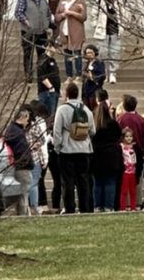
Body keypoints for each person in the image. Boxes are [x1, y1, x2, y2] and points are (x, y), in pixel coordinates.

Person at [51, 81, 94, 214]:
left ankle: (69, 208)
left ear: (66, 94)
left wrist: (57, 148)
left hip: (67, 150)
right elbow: (92, 131)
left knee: (68, 181)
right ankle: (84, 208)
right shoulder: (86, 110)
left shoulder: (62, 109)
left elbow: (57, 132)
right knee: (83, 181)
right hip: (84, 150)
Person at [16, 0, 52, 81]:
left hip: (42, 32)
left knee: (42, 55)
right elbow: (18, 13)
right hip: (29, 32)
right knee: (28, 55)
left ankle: (42, 77)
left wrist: (48, 23)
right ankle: (29, 76)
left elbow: (48, 13)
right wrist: (26, 22)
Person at [91, 94, 123, 211]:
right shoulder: (113, 123)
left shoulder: (96, 124)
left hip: (97, 156)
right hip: (112, 156)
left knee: (98, 182)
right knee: (110, 181)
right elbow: (119, 135)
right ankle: (109, 205)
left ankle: (98, 205)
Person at [116, 94, 144, 209]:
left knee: (124, 179)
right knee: (137, 179)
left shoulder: (121, 119)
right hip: (138, 151)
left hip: (124, 152)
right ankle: (137, 202)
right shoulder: (141, 120)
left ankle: (125, 203)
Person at [2, 108, 35, 216]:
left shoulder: (13, 130)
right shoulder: (17, 132)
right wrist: (28, 163)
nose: (28, 122)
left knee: (22, 196)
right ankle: (24, 216)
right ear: (22, 118)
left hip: (19, 166)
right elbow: (22, 151)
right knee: (23, 196)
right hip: (22, 167)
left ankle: (23, 214)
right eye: (27, 119)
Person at [53, 0, 88, 80]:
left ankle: (78, 75)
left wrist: (72, 13)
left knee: (77, 53)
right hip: (64, 30)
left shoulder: (80, 0)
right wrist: (62, 15)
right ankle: (69, 75)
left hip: (76, 30)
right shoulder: (62, 0)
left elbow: (84, 17)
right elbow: (56, 16)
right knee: (67, 53)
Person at [94, 0, 122, 82]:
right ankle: (104, 72)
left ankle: (113, 73)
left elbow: (123, 14)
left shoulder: (118, 0)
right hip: (103, 31)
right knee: (103, 52)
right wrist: (96, 25)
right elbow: (94, 14)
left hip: (115, 29)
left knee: (115, 52)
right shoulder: (99, 1)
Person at [26, 101, 50, 215]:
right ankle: (37, 205)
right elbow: (43, 141)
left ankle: (35, 205)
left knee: (34, 182)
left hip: (27, 157)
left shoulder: (27, 124)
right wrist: (45, 157)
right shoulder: (38, 123)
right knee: (36, 182)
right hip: (36, 157)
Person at [37, 43, 61, 116]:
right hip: (47, 92)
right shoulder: (44, 59)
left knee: (52, 114)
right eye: (55, 47)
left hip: (54, 91)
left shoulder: (52, 60)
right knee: (48, 114)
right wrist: (50, 87)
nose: (56, 50)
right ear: (49, 47)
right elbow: (42, 75)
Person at [81, 44, 106, 111]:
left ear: (95, 53)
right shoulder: (87, 64)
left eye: (91, 53)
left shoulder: (99, 63)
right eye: (87, 53)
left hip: (94, 91)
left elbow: (102, 76)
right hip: (86, 92)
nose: (89, 55)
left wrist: (92, 77)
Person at [120, 127, 138, 211]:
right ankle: (123, 207)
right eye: (126, 136)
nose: (129, 138)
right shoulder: (121, 146)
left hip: (133, 172)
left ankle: (133, 207)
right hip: (125, 172)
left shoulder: (134, 146)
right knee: (124, 191)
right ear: (123, 137)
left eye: (130, 136)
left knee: (133, 191)